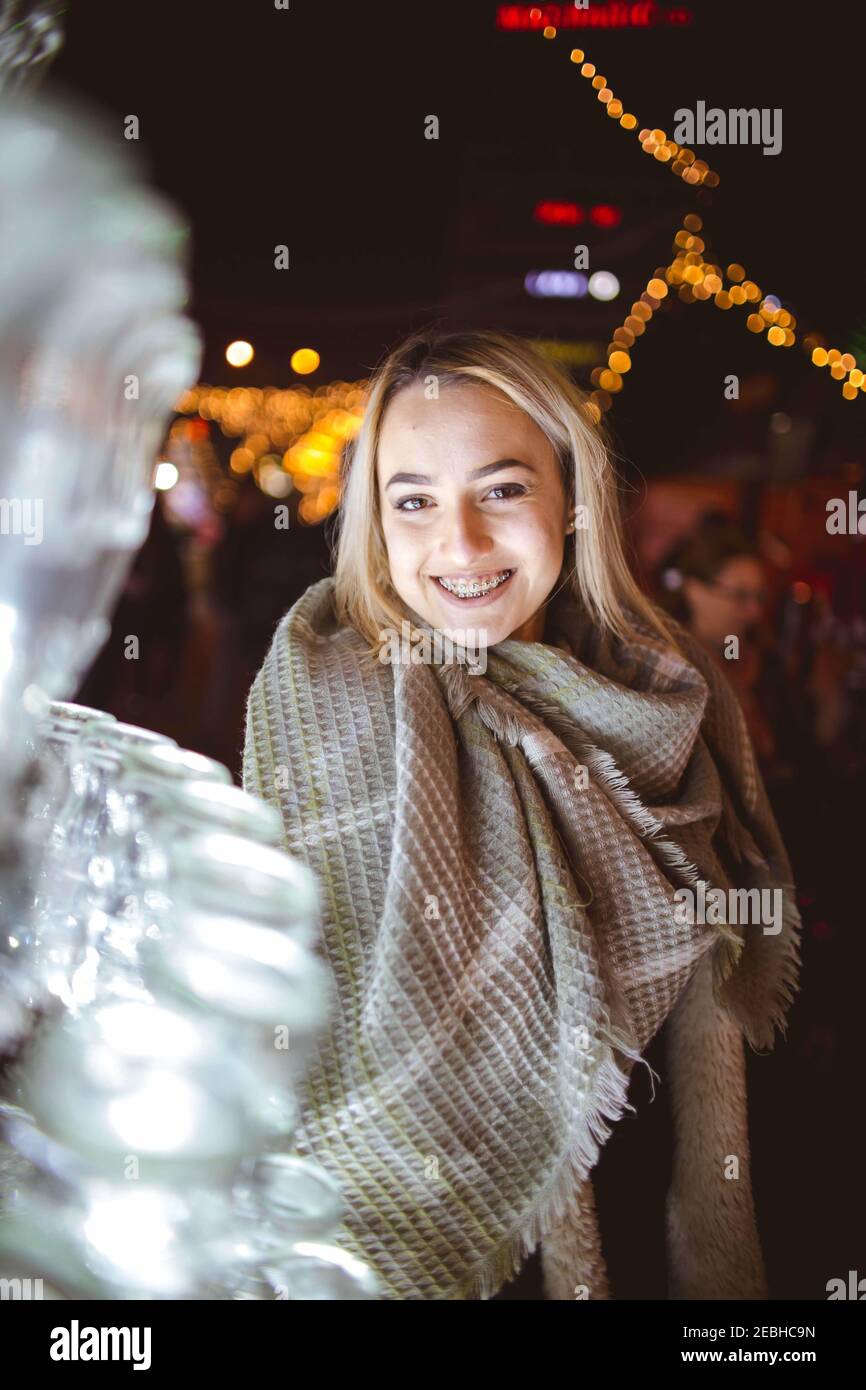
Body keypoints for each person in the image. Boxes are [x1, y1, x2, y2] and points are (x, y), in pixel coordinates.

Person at [242, 328, 802, 1301]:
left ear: (572, 499)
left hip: (650, 1207)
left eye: (501, 489)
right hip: (452, 1243)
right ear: (375, 523)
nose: (457, 543)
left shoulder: (668, 685)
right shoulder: (325, 697)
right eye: (412, 501)